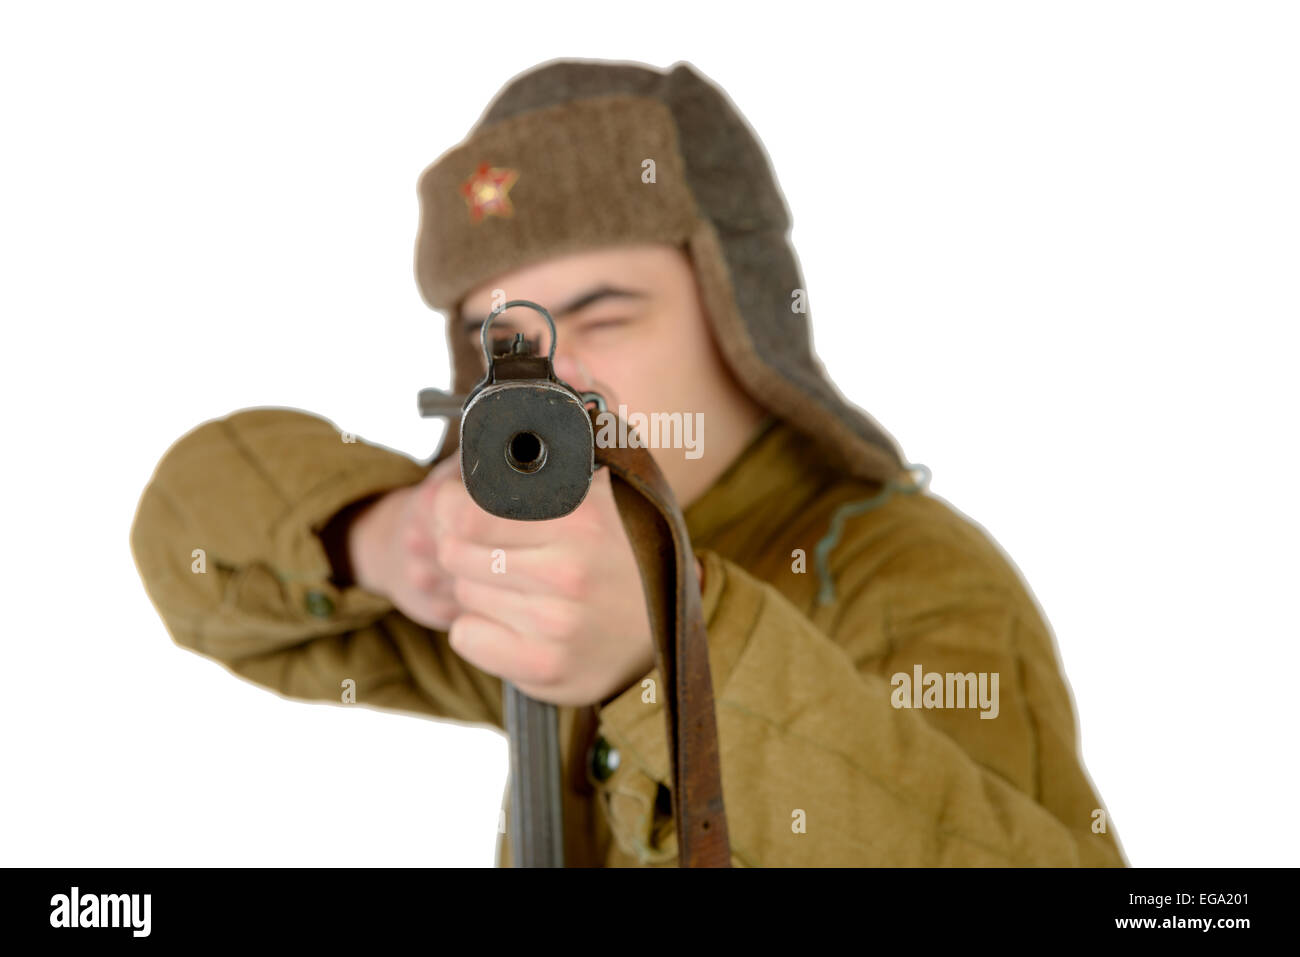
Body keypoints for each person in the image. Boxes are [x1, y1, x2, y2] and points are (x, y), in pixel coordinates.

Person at [129, 58, 1126, 867]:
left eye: (604, 312)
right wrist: (393, 540)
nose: (554, 371)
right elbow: (193, 547)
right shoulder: (538, 568)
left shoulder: (905, 578)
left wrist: (670, 658)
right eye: (501, 337)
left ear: (739, 327)